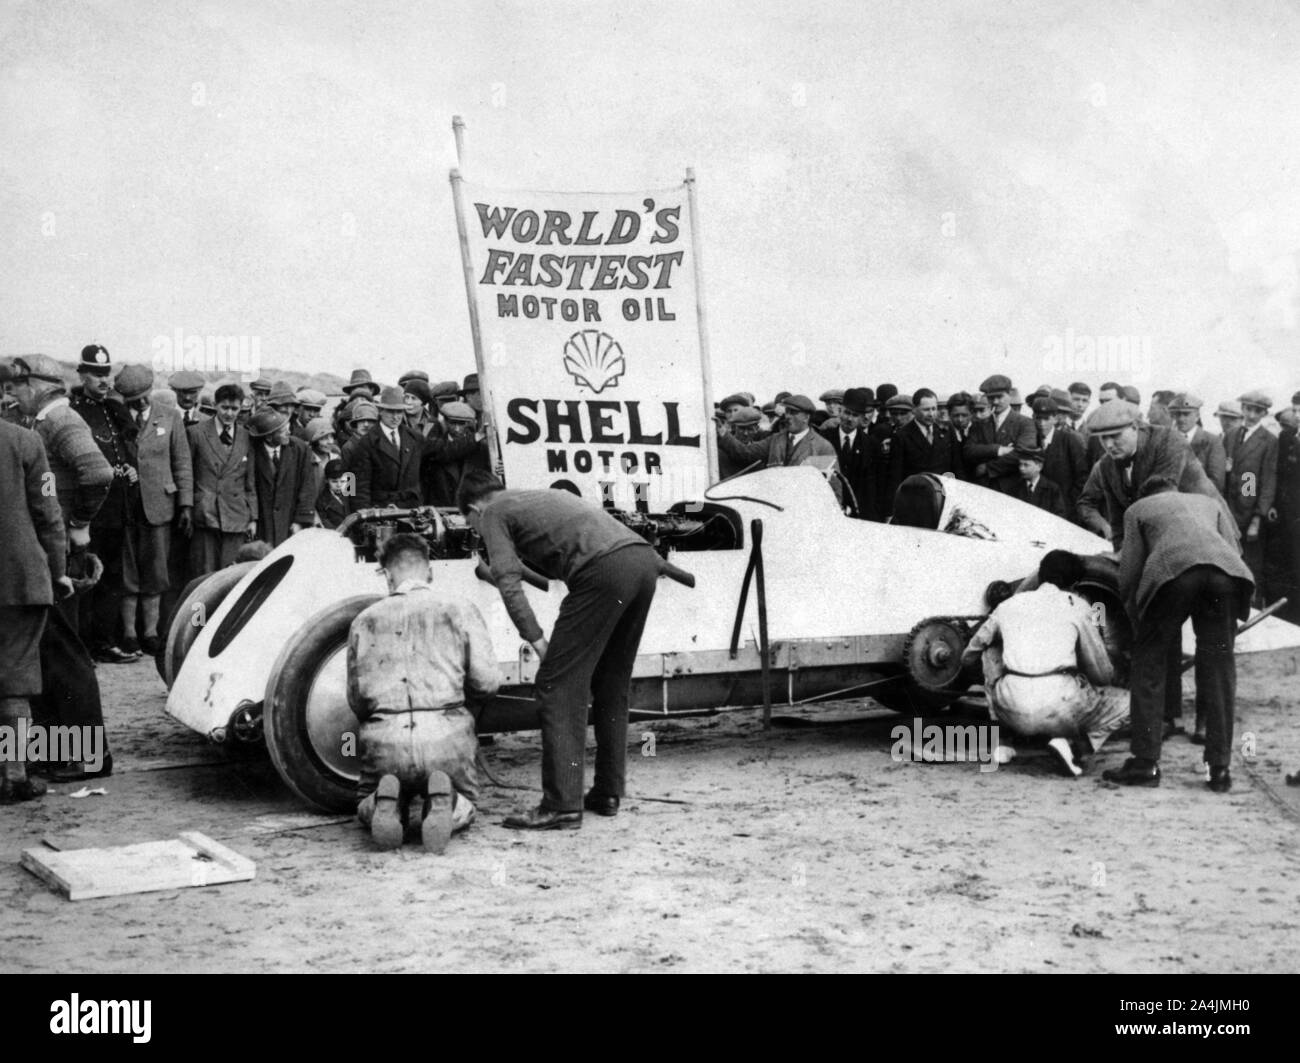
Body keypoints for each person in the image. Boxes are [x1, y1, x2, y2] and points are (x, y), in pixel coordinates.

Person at [458, 472, 662, 830]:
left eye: (471, 525)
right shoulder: (530, 497)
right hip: (643, 561)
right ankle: (608, 791)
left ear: (474, 509)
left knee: (557, 684)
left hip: (602, 572)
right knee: (611, 682)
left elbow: (506, 580)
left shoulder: (492, 513)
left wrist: (537, 641)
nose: (477, 531)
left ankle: (562, 804)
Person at [347, 533, 500, 851]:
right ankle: (447, 800)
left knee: (365, 800)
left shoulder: (363, 621)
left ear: (387, 575)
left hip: (386, 738)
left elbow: (356, 697)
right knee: (469, 800)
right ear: (429, 571)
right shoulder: (459, 609)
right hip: (446, 734)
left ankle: (384, 803)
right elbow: (487, 682)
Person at [1106, 476, 1254, 792]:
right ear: (1175, 490)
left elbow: (1130, 571)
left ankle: (1145, 763)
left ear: (1145, 493)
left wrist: (1136, 620)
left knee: (1149, 664)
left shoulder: (1138, 509)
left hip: (1172, 575)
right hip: (1226, 576)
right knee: (1219, 670)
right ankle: (1219, 770)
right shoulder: (1209, 503)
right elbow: (1232, 549)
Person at [6, 356, 114, 781]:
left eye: (18, 385)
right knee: (50, 655)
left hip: (59, 551)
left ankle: (89, 757)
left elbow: (98, 472)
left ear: (42, 385)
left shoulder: (61, 421)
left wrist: (80, 524)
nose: (11, 393)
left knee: (66, 656)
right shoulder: (41, 423)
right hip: (47, 549)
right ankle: (58, 752)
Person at [961, 550, 1129, 778]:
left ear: (1040, 575)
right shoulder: (1079, 607)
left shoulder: (1009, 604)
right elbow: (1099, 670)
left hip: (1009, 708)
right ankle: (1074, 748)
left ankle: (1001, 740)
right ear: (1075, 583)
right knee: (1132, 704)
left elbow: (971, 651)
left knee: (991, 649)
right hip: (1060, 709)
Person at [0, 412, 69, 802]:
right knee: (15, 680)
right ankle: (14, 774)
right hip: (19, 580)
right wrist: (58, 571)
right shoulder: (26, 442)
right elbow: (48, 511)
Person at [113, 365, 193, 656]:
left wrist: (185, 504)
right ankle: (129, 633)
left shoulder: (170, 416)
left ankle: (150, 633)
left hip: (160, 505)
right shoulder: (116, 417)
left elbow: (182, 462)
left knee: (157, 571)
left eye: (145, 397)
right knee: (128, 570)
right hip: (125, 507)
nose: (141, 404)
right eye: (134, 400)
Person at [1076, 400, 1223, 551]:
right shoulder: (1106, 465)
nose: (1108, 445)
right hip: (1167, 540)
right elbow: (1117, 521)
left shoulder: (1168, 440)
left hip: (1210, 535)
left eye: (1115, 436)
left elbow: (1160, 499)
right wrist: (1122, 554)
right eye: (1103, 438)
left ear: (1134, 427)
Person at [69, 344, 139, 663]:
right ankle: (81, 646)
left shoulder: (113, 409)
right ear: (81, 374)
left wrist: (129, 467)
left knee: (110, 578)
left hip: (115, 507)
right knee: (85, 578)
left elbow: (122, 449)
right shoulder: (74, 411)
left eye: (106, 373)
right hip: (88, 510)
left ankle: (104, 642)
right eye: (95, 374)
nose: (103, 380)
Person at [716, 393, 841, 502]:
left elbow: (833, 487)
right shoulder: (775, 440)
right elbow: (745, 452)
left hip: (804, 511)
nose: (788, 416)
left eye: (793, 413)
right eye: (787, 412)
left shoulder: (821, 447)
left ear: (806, 417)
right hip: (775, 509)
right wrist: (723, 434)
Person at [188, 383, 258, 576]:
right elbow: (187, 475)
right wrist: (188, 508)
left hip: (236, 515)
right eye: (224, 407)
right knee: (204, 573)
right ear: (215, 405)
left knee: (230, 574)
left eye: (234, 408)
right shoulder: (196, 433)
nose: (229, 413)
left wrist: (253, 517)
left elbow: (249, 481)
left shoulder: (246, 436)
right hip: (205, 514)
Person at [1223, 390, 1278, 604]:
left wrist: (1257, 517)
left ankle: (1252, 605)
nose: (1252, 414)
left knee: (1251, 563)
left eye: (1257, 411)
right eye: (1248, 409)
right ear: (1242, 409)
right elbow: (1225, 471)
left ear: (1264, 413)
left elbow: (1267, 480)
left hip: (1249, 511)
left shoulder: (1268, 440)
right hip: (1228, 508)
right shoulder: (1232, 435)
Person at [248, 409, 315, 548]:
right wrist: (251, 519)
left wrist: (300, 521)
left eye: (288, 428)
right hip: (262, 524)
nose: (289, 433)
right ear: (268, 437)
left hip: (290, 523)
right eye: (282, 431)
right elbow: (248, 487)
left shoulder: (300, 448)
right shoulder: (252, 451)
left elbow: (307, 486)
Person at [963, 374, 1037, 493]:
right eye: (991, 398)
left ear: (1009, 395)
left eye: (1000, 397)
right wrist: (999, 450)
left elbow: (1023, 454)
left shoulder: (1025, 423)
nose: (996, 402)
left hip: (1013, 490)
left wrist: (988, 468)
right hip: (983, 488)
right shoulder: (979, 424)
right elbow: (968, 451)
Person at [888, 388, 957, 500]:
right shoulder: (902, 436)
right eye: (926, 410)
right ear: (914, 410)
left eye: (934, 409)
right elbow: (895, 476)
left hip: (943, 497)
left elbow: (956, 466)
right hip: (916, 500)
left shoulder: (947, 430)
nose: (931, 414)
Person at [1033, 395, 1088, 521]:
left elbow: (1082, 477)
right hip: (1035, 507)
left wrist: (1069, 504)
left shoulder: (1069, 441)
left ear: (1055, 419)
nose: (1042, 423)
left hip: (1063, 510)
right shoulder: (1031, 441)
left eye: (1046, 419)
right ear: (1033, 418)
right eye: (1038, 418)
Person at [825, 387, 877, 519]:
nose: (849, 419)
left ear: (861, 418)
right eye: (847, 413)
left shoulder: (871, 445)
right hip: (830, 511)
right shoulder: (825, 439)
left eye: (855, 415)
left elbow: (872, 487)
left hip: (859, 514)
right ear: (840, 411)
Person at [1168, 392, 1226, 495]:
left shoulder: (1212, 442)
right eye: (1177, 414)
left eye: (1186, 414)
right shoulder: (1168, 440)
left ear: (1197, 416)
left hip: (1201, 503)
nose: (1181, 419)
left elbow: (1217, 481)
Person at [1010, 444, 1067, 518]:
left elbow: (1060, 517)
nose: (1021, 468)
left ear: (1039, 467)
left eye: (1026, 465)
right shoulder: (1015, 487)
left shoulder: (1052, 489)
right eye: (1020, 464)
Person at [315, 458, 353, 529]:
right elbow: (324, 522)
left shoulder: (352, 496)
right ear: (326, 480)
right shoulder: (322, 501)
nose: (339, 485)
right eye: (334, 481)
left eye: (342, 481)